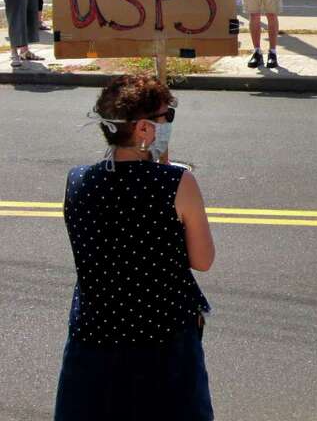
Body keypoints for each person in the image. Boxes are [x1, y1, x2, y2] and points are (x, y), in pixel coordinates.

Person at [54, 75, 214, 421]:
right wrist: (165, 168)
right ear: (142, 129)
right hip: (164, 337)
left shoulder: (78, 179)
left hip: (94, 335)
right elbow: (203, 260)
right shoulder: (176, 183)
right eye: (165, 119)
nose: (168, 125)